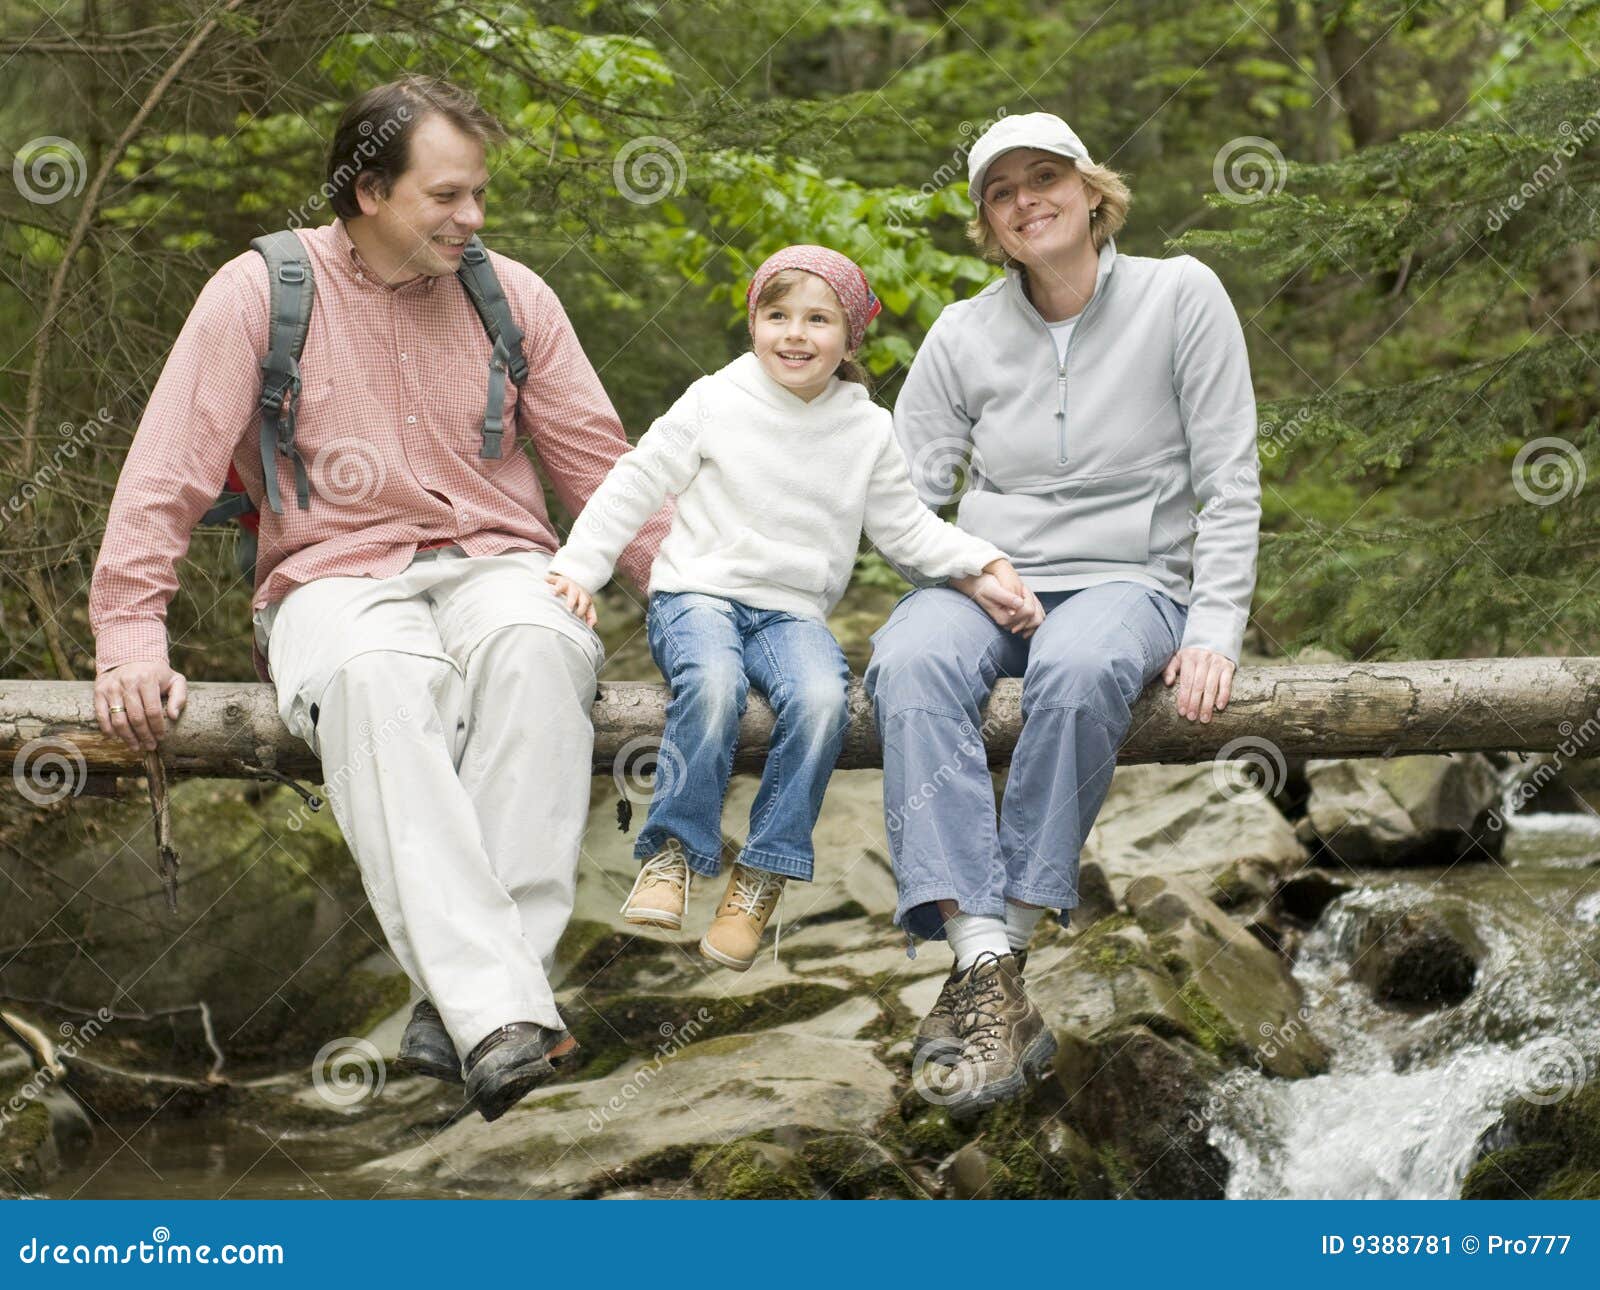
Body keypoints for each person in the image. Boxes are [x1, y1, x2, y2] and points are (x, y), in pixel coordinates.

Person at [88, 76, 669, 1122]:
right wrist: (129, 632)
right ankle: (502, 1013)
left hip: (496, 561)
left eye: (479, 194)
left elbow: (604, 471)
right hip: (331, 576)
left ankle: (469, 1011)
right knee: (378, 680)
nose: (473, 218)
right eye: (446, 197)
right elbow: (167, 469)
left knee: (545, 647)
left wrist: (700, 618)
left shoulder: (513, 297)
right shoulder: (261, 292)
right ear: (367, 193)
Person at [864, 112, 1261, 1117]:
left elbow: (1229, 474)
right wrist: (964, 563)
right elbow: (898, 495)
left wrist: (1213, 625)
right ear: (987, 224)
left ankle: (1012, 935)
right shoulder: (962, 332)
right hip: (989, 579)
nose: (1026, 200)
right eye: (1001, 191)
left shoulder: (1182, 294)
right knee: (906, 661)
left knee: (1080, 672)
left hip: (1133, 580)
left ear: (1093, 192)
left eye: (1045, 177)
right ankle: (986, 966)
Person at [546, 245, 1039, 971]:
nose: (796, 334)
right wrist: (580, 568)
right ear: (754, 323)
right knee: (711, 688)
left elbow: (904, 528)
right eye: (778, 316)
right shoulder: (716, 399)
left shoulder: (865, 428)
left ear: (850, 337)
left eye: (818, 319)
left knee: (819, 701)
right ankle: (675, 852)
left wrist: (982, 563)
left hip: (791, 615)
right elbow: (635, 482)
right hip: (697, 594)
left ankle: (763, 873)